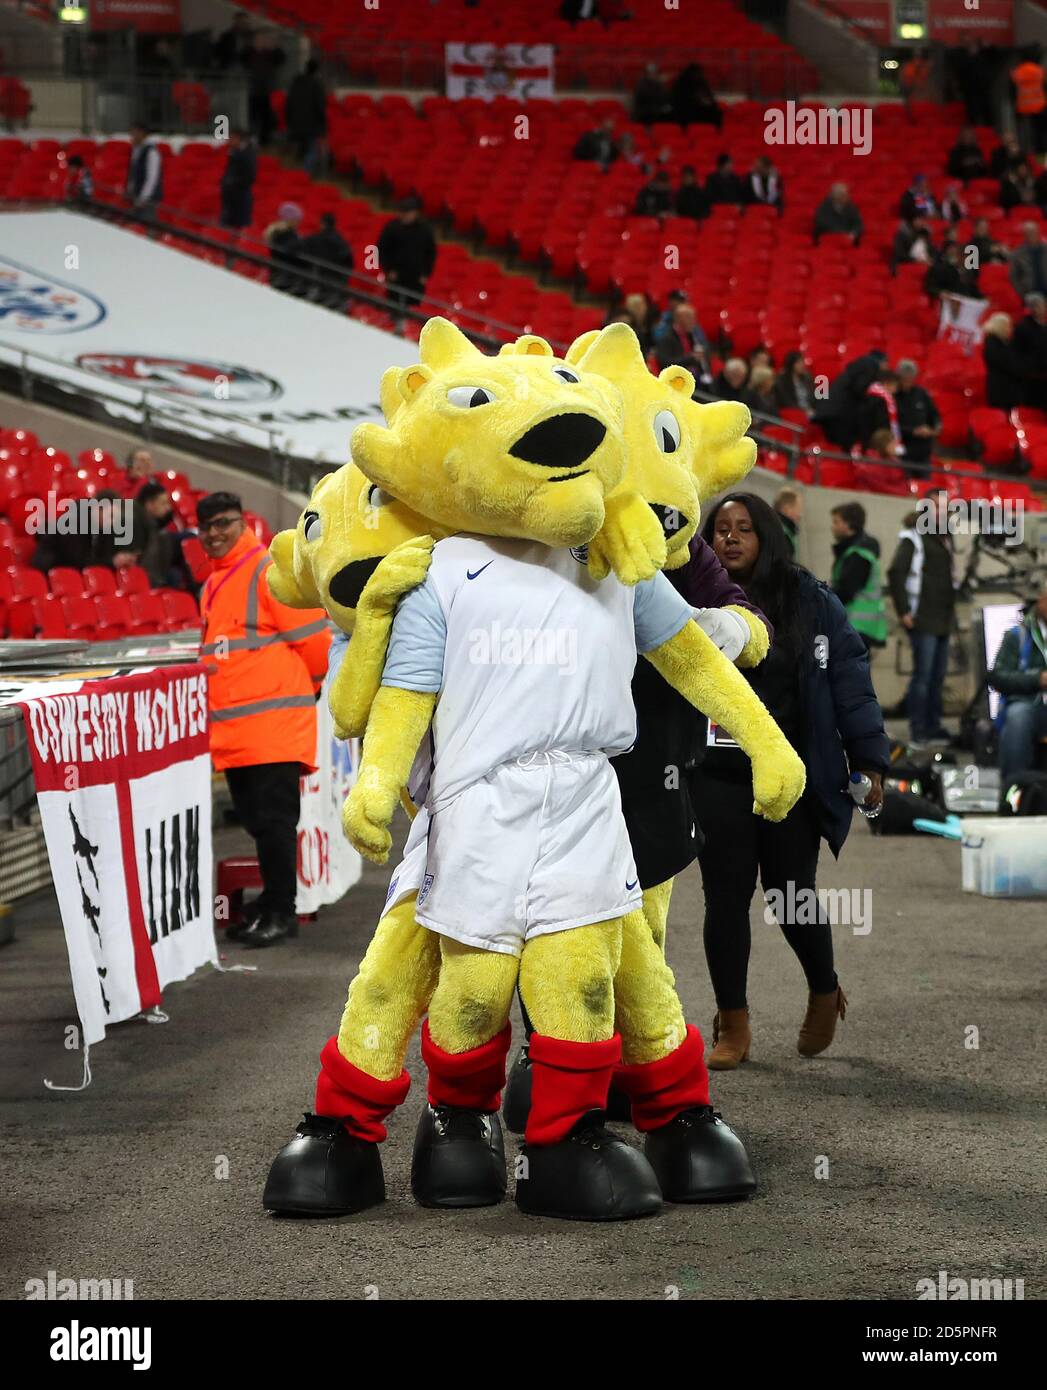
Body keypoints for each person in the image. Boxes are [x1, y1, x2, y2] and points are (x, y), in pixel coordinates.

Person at [692, 493, 887, 1067]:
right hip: (717, 773)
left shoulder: (812, 601)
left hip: (792, 774)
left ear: (768, 536)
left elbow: (851, 683)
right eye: (720, 529)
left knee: (790, 895)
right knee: (724, 899)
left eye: (744, 529)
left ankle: (824, 990)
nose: (730, 538)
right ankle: (733, 1025)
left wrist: (869, 760)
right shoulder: (688, 598)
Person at [198, 491, 330, 948]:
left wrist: (303, 690)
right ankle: (271, 903)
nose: (215, 534)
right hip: (238, 732)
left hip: (272, 727)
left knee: (274, 823)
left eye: (223, 523)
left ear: (242, 522)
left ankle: (281, 911)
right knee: (259, 823)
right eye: (206, 527)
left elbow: (316, 640)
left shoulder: (265, 570)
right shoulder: (215, 581)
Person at [888, 491, 957, 747]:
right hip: (922, 617)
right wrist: (904, 610)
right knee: (924, 676)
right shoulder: (913, 535)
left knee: (938, 676)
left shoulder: (944, 537)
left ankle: (933, 725)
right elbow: (896, 572)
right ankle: (919, 730)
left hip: (942, 616)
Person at [989, 580, 1047, 799]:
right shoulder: (1018, 635)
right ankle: (1013, 790)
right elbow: (998, 677)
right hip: (1029, 704)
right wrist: (1036, 679)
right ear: (1041, 602)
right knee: (1018, 717)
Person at [830, 502, 887, 652]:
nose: (832, 526)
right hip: (861, 627)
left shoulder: (858, 556)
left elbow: (845, 591)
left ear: (848, 525)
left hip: (855, 626)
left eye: (837, 522)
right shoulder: (859, 551)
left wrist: (822, 597)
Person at [377, 196, 437, 327]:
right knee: (393, 303)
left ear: (415, 213)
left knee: (413, 305)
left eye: (408, 212)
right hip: (396, 274)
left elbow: (431, 253)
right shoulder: (392, 228)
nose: (405, 215)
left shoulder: (425, 230)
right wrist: (388, 269)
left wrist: (425, 274)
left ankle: (409, 328)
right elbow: (381, 249)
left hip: (415, 277)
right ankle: (393, 325)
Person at [299, 211, 354, 309]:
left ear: (322, 224)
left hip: (317, 283)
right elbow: (350, 263)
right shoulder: (342, 243)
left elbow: (301, 253)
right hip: (337, 285)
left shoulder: (314, 239)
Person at [895, 359, 941, 473]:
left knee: (930, 484)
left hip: (924, 450)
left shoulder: (921, 393)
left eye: (910, 379)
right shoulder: (893, 396)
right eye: (904, 379)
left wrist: (935, 428)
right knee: (906, 486)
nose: (908, 382)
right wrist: (913, 431)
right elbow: (891, 425)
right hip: (903, 451)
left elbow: (934, 415)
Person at [651, 302, 712, 382]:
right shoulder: (666, 338)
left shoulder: (694, 334)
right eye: (689, 318)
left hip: (698, 378)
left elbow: (706, 347)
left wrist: (703, 352)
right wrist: (690, 358)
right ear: (678, 319)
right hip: (677, 381)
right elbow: (665, 363)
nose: (693, 321)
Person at [244, 31, 285, 146]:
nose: (260, 42)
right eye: (257, 40)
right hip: (254, 91)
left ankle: (265, 141)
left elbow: (281, 59)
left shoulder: (270, 54)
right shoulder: (249, 53)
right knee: (253, 117)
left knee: (266, 117)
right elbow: (243, 60)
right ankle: (252, 139)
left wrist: (277, 46)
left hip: (267, 92)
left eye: (262, 40)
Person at [285, 58, 328, 167]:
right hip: (311, 125)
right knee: (312, 151)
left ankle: (296, 176)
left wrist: (289, 120)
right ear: (317, 70)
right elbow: (320, 107)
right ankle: (305, 176)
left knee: (299, 151)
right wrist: (323, 124)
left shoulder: (296, 83)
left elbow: (288, 103)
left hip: (295, 123)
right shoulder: (317, 85)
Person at [983, 312, 1029, 411]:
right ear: (1000, 327)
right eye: (1008, 327)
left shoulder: (1003, 343)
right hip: (1001, 390)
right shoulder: (993, 343)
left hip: (1007, 389)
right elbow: (1009, 364)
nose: (1010, 330)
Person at [1010, 47, 1046, 154]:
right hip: (1040, 108)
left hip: (1022, 109)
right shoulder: (1040, 71)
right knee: (1040, 135)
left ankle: (1026, 155)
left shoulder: (1016, 73)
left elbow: (1012, 92)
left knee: (1024, 136)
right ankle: (1041, 156)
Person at [219, 129, 256, 230]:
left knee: (240, 225)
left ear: (237, 138)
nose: (228, 141)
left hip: (241, 196)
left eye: (231, 138)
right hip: (229, 196)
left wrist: (233, 183)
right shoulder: (233, 152)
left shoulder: (248, 153)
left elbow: (250, 176)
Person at [1014, 292, 1047, 404]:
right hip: (1032, 378)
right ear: (1033, 308)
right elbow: (1019, 353)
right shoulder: (1023, 328)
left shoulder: (1043, 326)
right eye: (1042, 305)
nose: (1044, 308)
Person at [264, 201, 304, 293]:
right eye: (297, 220)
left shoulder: (277, 231)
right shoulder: (286, 234)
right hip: (283, 276)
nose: (298, 223)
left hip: (278, 274)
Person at [126, 124, 163, 219]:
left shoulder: (151, 152)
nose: (131, 137)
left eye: (133, 134)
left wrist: (143, 198)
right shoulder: (136, 150)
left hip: (147, 199)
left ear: (141, 133)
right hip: (136, 197)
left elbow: (152, 179)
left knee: (146, 226)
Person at [670, 62, 722, 129]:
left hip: (701, 111)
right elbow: (678, 99)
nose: (697, 75)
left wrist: (705, 102)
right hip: (685, 112)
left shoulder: (702, 83)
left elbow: (709, 99)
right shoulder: (681, 83)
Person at [1010, 221, 1047, 299]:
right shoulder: (1017, 253)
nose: (1031, 235)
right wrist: (1022, 293)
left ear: (1038, 232)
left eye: (1033, 232)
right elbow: (1014, 276)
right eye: (1028, 232)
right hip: (1030, 292)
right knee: (1038, 305)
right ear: (1024, 235)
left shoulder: (1045, 249)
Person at [773, 350, 816, 416]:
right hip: (794, 412)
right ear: (791, 364)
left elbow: (813, 397)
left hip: (810, 410)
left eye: (802, 361)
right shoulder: (782, 381)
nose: (802, 365)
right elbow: (787, 402)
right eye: (798, 362)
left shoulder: (807, 377)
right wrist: (803, 411)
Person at [773, 485, 802, 555]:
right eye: (797, 509)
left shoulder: (773, 526)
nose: (800, 515)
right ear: (787, 509)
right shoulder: (782, 535)